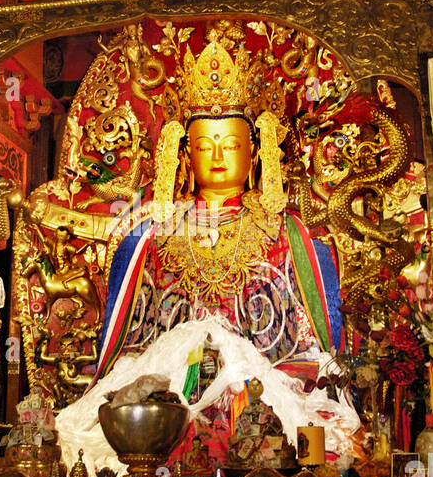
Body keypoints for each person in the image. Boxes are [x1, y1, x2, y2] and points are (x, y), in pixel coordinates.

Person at [95, 29, 343, 379]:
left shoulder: (285, 233)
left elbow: (306, 339)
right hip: (170, 394)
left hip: (262, 389)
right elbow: (137, 341)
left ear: (255, 151)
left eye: (230, 145)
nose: (216, 156)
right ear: (184, 154)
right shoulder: (155, 237)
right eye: (203, 146)